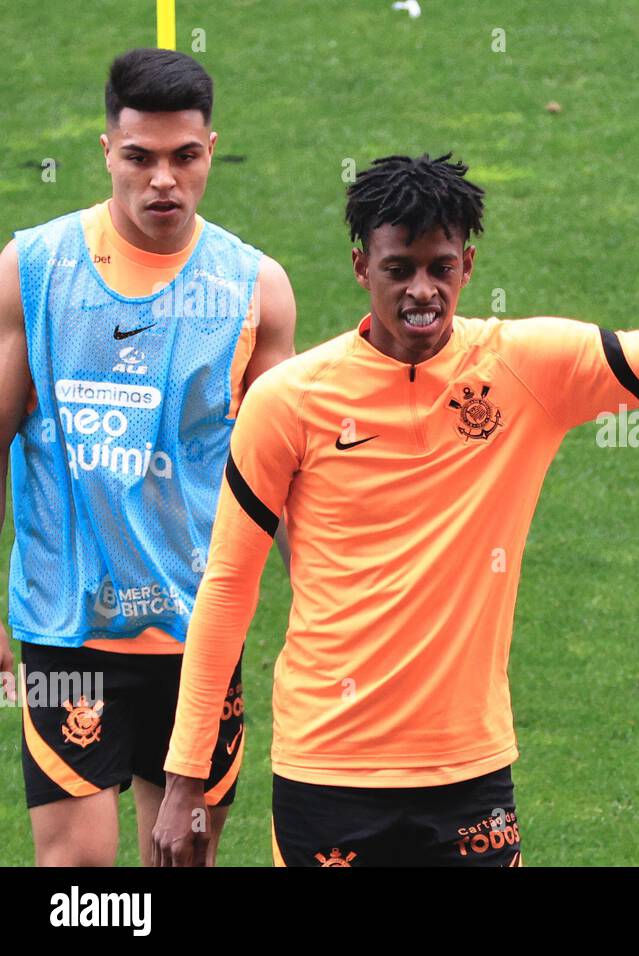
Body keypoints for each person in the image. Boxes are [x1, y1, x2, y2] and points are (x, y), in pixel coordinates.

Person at [151, 152, 639, 866]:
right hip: (328, 772)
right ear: (362, 267)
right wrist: (189, 776)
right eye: (399, 269)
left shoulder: (527, 368)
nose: (422, 291)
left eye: (440, 267)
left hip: (470, 772)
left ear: (469, 265)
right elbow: (228, 586)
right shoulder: (289, 402)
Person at [0, 48, 297, 866]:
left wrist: (330, 608)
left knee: (183, 858)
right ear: (107, 152)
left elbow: (285, 473)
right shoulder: (34, 271)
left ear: (211, 150)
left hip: (200, 631)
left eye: (184, 156)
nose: (163, 180)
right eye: (139, 157)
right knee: (79, 870)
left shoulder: (254, 289)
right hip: (69, 627)